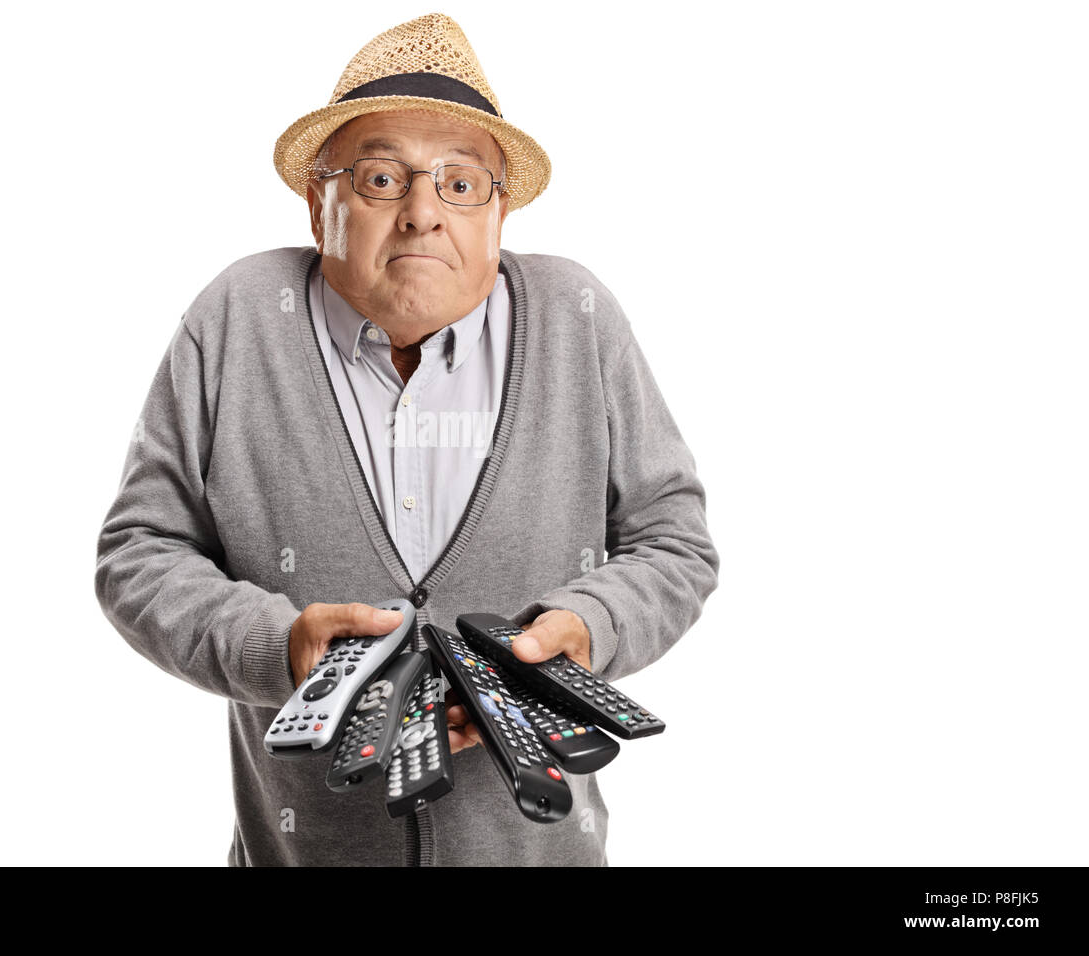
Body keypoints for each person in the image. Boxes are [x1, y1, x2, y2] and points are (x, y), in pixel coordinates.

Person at [94, 12, 719, 866]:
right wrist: (272, 645)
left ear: (499, 216)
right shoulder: (237, 316)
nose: (424, 213)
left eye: (462, 183)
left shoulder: (579, 319)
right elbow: (138, 550)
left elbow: (673, 538)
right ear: (321, 202)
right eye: (382, 176)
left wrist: (590, 624)